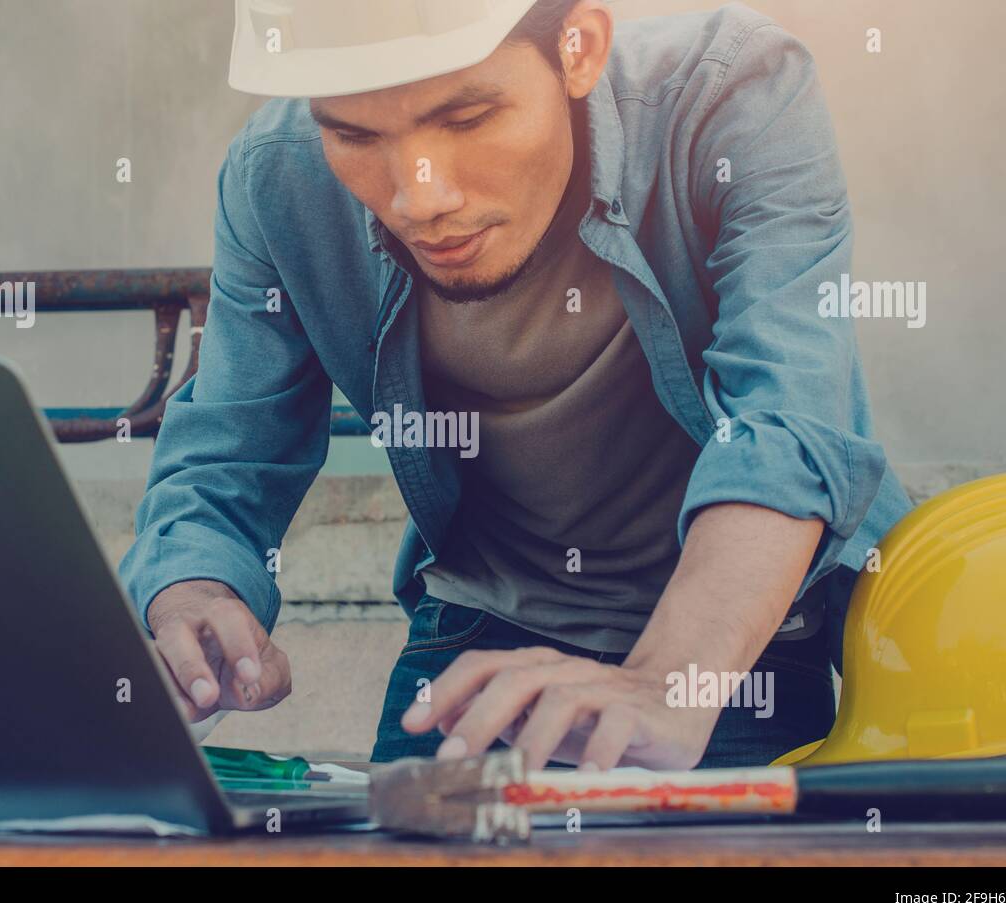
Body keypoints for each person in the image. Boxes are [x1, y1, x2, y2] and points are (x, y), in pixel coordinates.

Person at [118, 0, 914, 771]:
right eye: (355, 133)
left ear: (581, 48)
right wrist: (194, 595)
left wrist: (665, 682)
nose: (421, 197)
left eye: (466, 120)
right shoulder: (274, 177)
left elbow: (787, 423)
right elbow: (228, 449)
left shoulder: (735, 92)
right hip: (483, 627)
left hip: (735, 642)